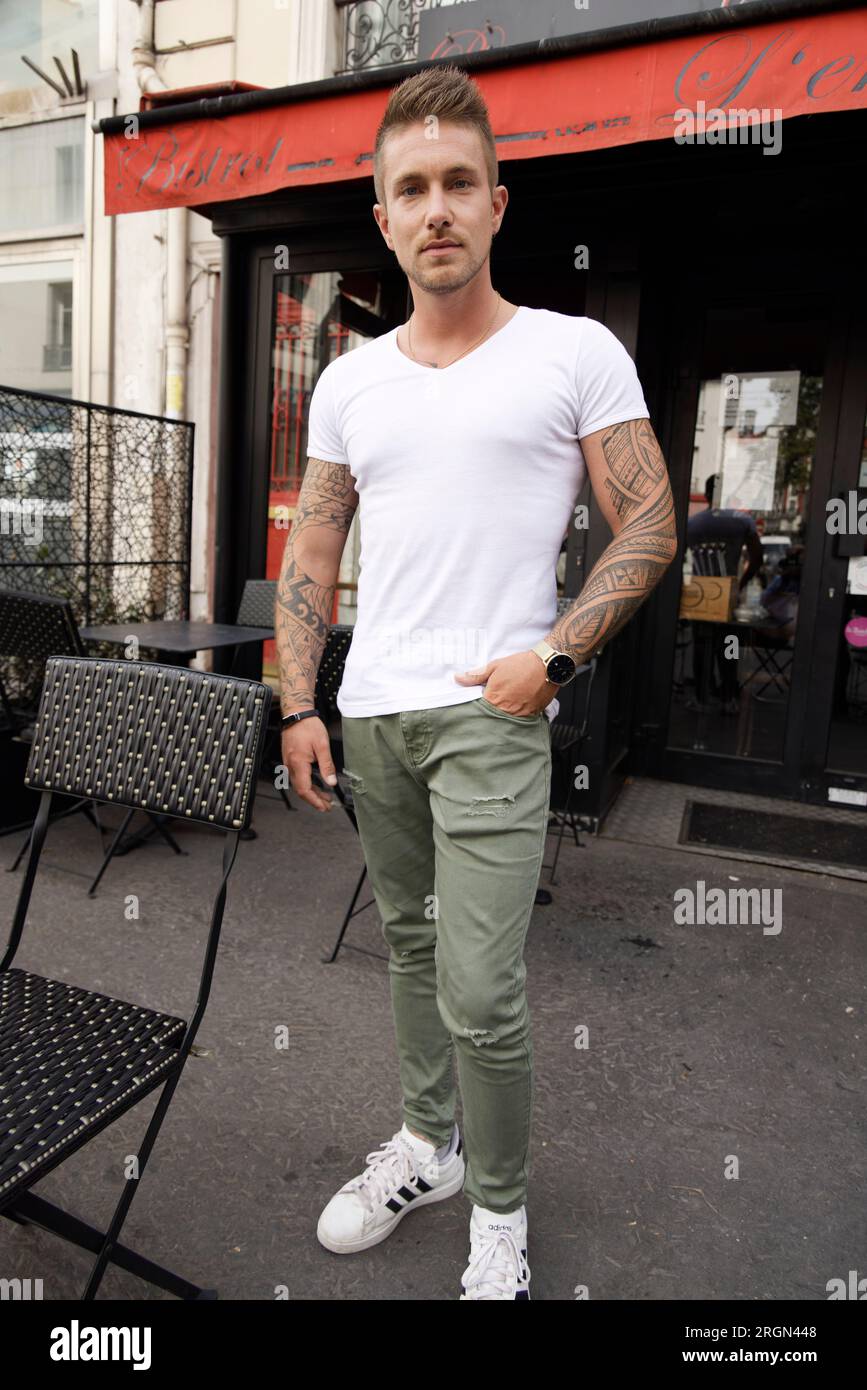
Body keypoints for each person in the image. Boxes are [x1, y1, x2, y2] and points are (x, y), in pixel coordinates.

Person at [275, 63, 677, 1301]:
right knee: (409, 945)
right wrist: (299, 700)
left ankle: (498, 1214)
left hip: (494, 709)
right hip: (374, 713)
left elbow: (652, 522)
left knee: (482, 985)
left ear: (499, 205)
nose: (437, 207)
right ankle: (430, 1148)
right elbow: (315, 545)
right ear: (385, 218)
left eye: (460, 182)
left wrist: (552, 657)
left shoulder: (573, 352)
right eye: (413, 189)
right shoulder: (350, 380)